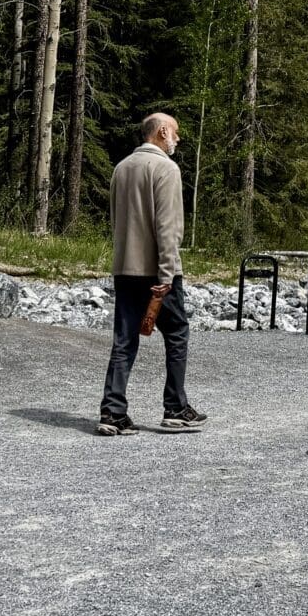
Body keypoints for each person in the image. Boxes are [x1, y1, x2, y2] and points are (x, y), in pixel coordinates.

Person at [99, 113, 206, 436]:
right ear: (161, 131)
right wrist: (167, 273)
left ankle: (112, 412)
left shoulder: (121, 168)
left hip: (125, 267)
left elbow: (117, 221)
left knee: (124, 340)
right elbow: (168, 228)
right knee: (176, 334)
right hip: (157, 270)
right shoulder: (166, 169)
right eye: (175, 131)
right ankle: (175, 408)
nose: (177, 138)